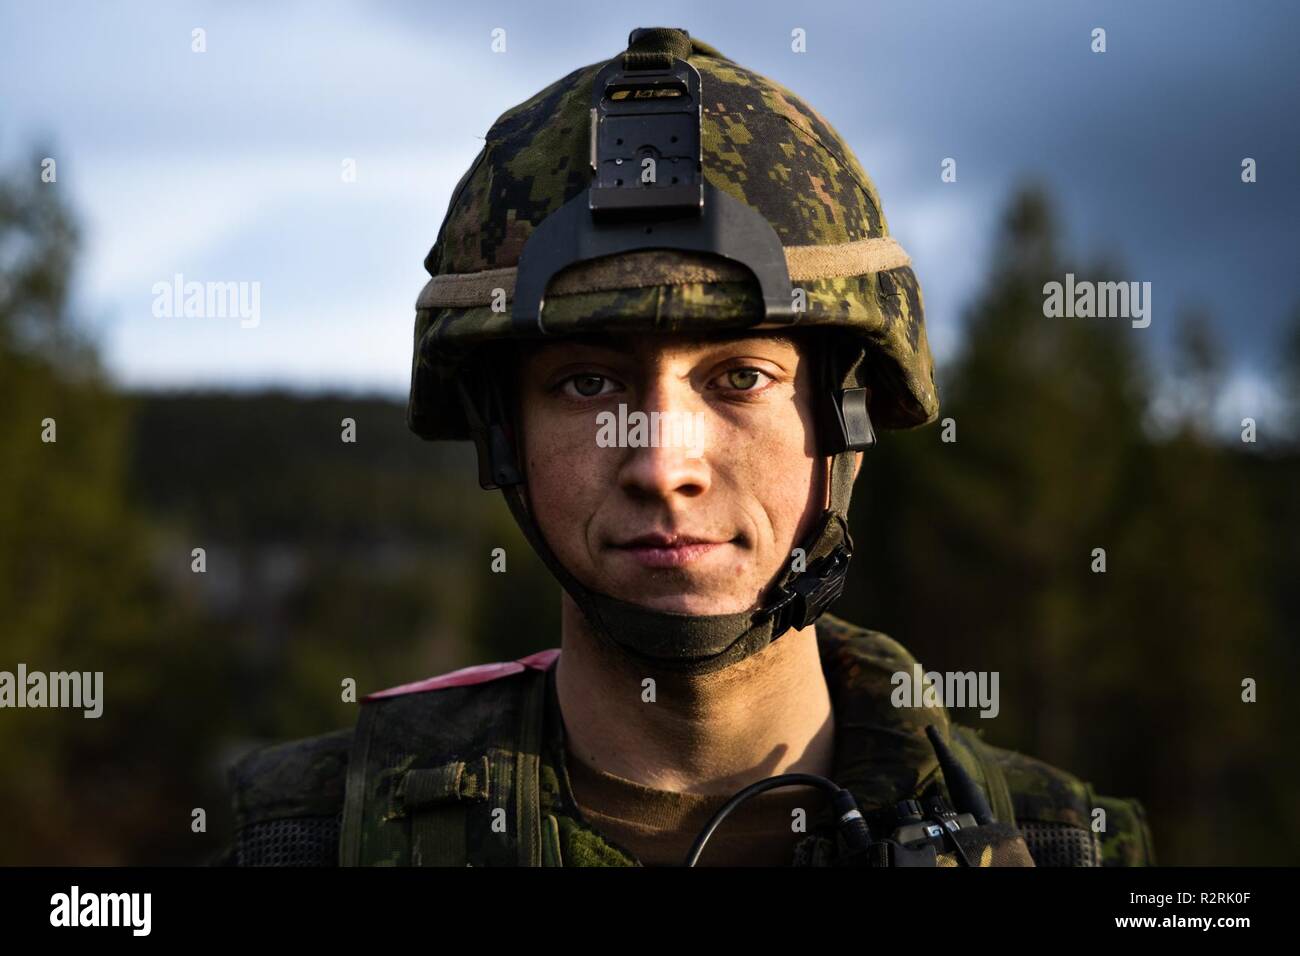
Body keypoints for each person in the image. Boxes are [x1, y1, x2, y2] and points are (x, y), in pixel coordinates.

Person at [220, 27, 1154, 867]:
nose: (665, 466)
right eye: (588, 383)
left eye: (740, 378)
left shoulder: (1064, 847)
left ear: (844, 417)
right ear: (506, 435)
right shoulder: (307, 844)